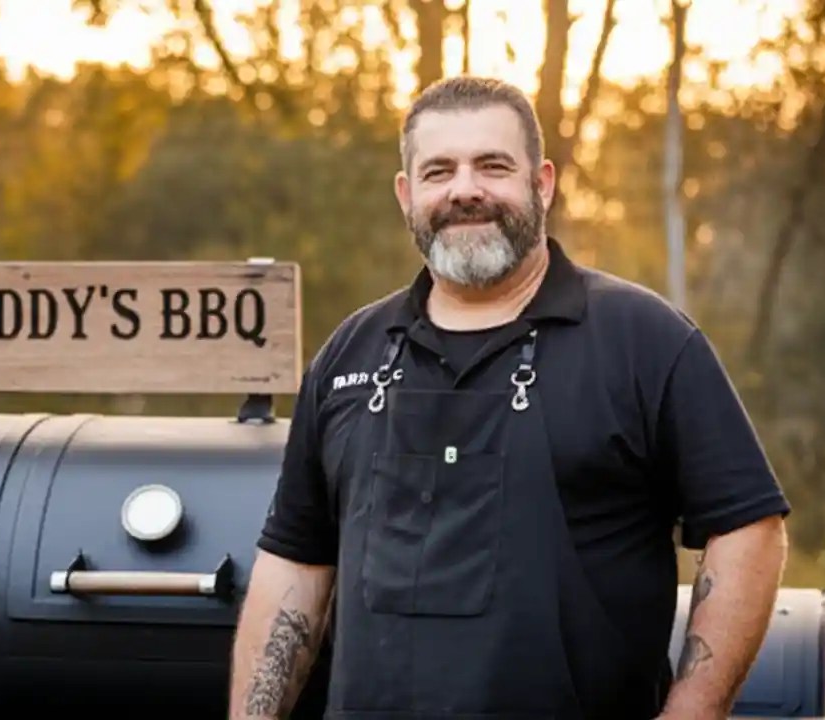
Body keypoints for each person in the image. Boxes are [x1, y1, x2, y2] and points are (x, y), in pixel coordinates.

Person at [228, 75, 791, 720]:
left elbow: (748, 528)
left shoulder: (647, 341)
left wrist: (693, 713)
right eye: (439, 171)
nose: (465, 189)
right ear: (407, 195)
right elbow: (296, 562)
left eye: (492, 166)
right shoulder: (351, 352)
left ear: (542, 183)